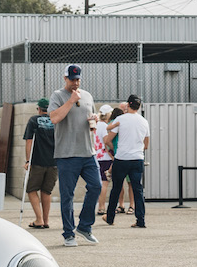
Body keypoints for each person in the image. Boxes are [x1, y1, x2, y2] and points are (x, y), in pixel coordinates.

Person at [49, 65, 100, 246]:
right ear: (65, 78)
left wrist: (95, 118)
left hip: (88, 152)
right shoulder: (57, 96)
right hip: (67, 154)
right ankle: (69, 234)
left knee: (96, 186)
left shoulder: (87, 96)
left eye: (78, 79)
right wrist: (70, 101)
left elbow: (91, 115)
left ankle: (84, 227)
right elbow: (54, 118)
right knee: (67, 195)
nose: (75, 83)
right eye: (72, 79)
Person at [104, 95, 150, 229]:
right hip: (137, 159)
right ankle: (140, 220)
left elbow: (109, 137)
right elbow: (146, 145)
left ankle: (110, 218)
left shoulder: (120, 119)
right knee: (137, 190)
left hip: (122, 158)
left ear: (128, 105)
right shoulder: (144, 121)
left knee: (116, 188)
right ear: (139, 107)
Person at [21, 97, 58, 229]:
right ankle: (45, 220)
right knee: (46, 191)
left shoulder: (33, 120)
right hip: (54, 162)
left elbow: (29, 141)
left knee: (31, 189)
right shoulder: (56, 120)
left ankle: (39, 219)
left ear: (39, 109)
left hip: (37, 162)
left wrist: (28, 160)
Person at [93, 104, 114, 215]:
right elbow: (107, 141)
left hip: (96, 156)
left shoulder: (96, 125)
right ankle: (101, 207)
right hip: (105, 157)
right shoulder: (105, 126)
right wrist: (113, 151)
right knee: (104, 183)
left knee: (100, 182)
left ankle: (100, 206)